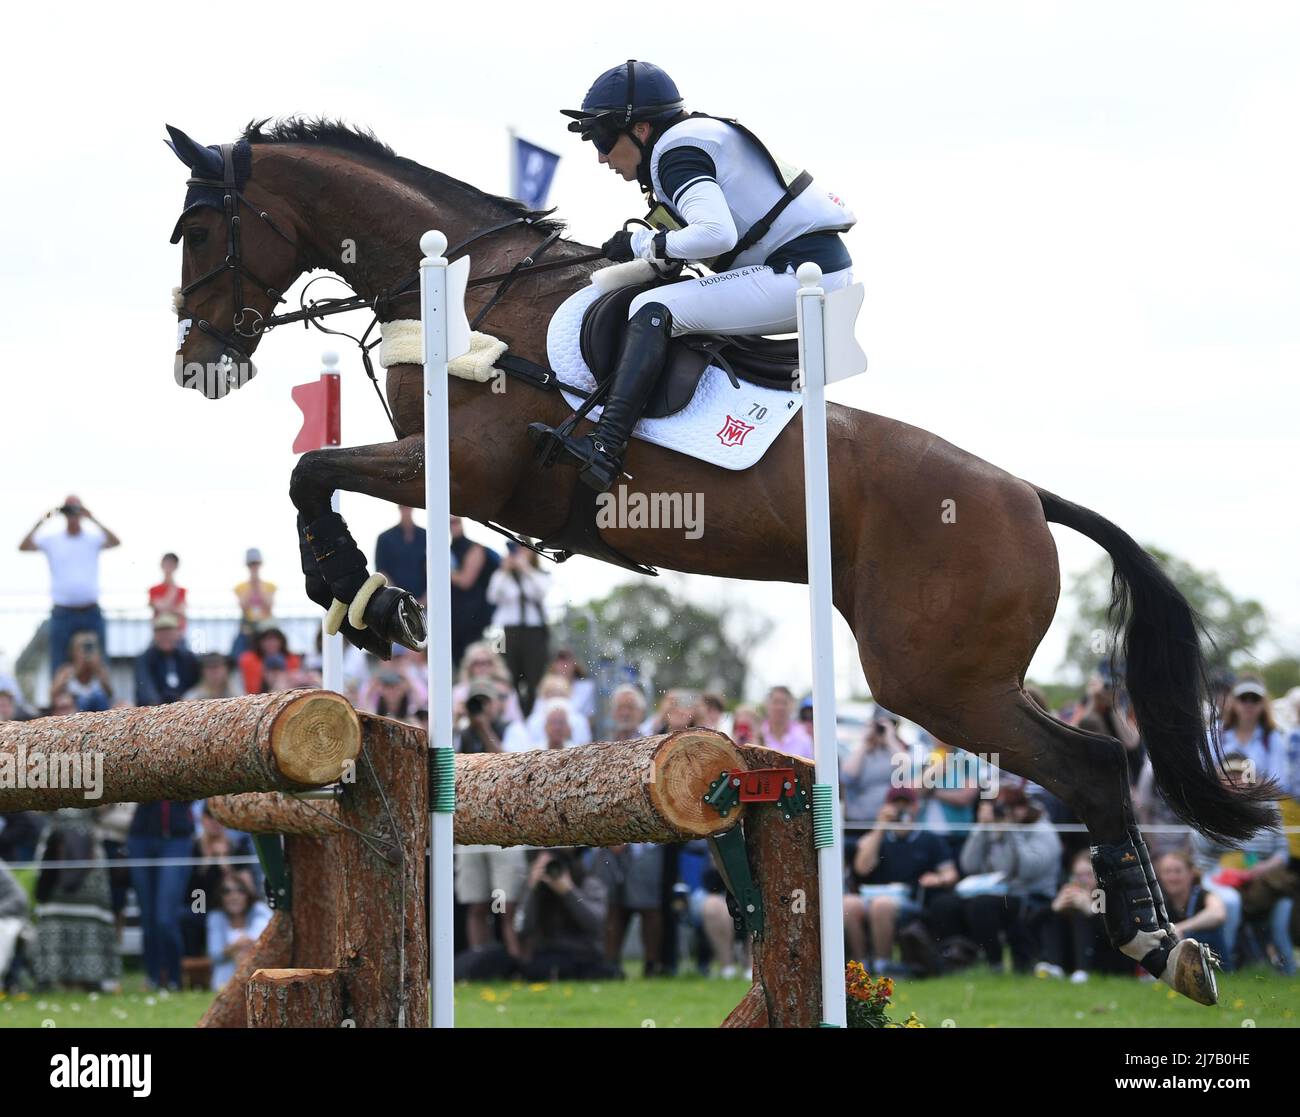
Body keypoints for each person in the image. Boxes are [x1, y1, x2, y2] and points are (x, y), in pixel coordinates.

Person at [532, 61, 856, 491]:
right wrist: (656, 249)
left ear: (641, 129)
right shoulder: (693, 139)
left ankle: (607, 447)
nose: (601, 156)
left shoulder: (675, 153)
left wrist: (643, 244)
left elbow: (715, 235)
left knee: (653, 307)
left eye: (604, 139)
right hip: (804, 271)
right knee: (664, 295)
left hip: (798, 276)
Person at [924, 786, 1062, 973]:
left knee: (982, 905)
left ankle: (994, 962)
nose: (1004, 812)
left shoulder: (1042, 830)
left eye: (1010, 807)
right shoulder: (993, 827)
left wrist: (1011, 831)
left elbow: (1028, 870)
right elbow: (968, 865)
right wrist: (982, 828)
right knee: (943, 904)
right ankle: (958, 958)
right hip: (992, 892)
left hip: (1028, 893)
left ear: (1024, 806)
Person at [844, 787, 958, 975]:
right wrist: (880, 827)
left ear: (916, 807)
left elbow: (950, 873)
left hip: (909, 900)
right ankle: (860, 965)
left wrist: (937, 878)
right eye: (896, 805)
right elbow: (862, 868)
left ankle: (883, 964)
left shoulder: (930, 839)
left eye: (906, 805)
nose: (901, 810)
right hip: (872, 894)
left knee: (881, 905)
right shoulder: (876, 838)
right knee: (849, 903)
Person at [19, 496, 120, 673]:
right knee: (59, 663)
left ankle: (106, 699)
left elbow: (115, 541)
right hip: (62, 611)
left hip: (90, 610)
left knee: (100, 662)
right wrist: (42, 520)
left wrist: (92, 517)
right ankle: (58, 700)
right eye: (69, 511)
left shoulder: (92, 538)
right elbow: (24, 546)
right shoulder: (52, 539)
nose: (73, 516)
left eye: (76, 511)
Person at [32, 809, 122, 992]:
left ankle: (91, 978)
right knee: (53, 911)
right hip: (55, 845)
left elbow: (109, 805)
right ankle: (52, 977)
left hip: (87, 847)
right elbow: (34, 808)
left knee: (90, 912)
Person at [515, 849, 620, 981]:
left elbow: (596, 925)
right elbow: (522, 928)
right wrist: (532, 887)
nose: (552, 871)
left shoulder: (587, 882)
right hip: (548, 955)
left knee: (608, 972)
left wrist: (569, 891)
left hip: (584, 955)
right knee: (538, 969)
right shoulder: (535, 887)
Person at [1033, 849, 1133, 982]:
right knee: (1055, 915)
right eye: (1078, 875)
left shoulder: (1111, 895)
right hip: (1071, 956)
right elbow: (1030, 923)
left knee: (1082, 917)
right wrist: (1053, 908)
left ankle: (1082, 971)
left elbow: (1119, 935)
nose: (1083, 880)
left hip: (1107, 959)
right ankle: (1054, 965)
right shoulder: (1067, 890)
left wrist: (1091, 911)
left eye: (1088, 875)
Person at [486, 544, 551, 717]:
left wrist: (526, 570)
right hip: (506, 632)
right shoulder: (503, 576)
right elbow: (492, 596)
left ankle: (531, 714)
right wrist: (504, 571)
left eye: (523, 549)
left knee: (533, 677)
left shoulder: (539, 574)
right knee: (507, 675)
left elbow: (542, 592)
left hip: (533, 631)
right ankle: (512, 714)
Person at [841, 709, 910, 824]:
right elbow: (847, 776)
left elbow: (906, 768)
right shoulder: (861, 752)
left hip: (888, 821)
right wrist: (865, 741)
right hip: (859, 821)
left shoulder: (897, 750)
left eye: (892, 724)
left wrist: (890, 738)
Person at [449, 517, 500, 673]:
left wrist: (437, 569)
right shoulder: (448, 549)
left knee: (477, 662)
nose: (452, 525)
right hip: (455, 619)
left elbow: (466, 580)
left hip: (476, 619)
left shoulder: (475, 548)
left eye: (455, 521)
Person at [206, 873, 272, 991]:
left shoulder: (259, 909)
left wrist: (235, 947)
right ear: (220, 896)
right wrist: (236, 946)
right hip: (225, 979)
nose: (234, 896)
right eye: (226, 891)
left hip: (259, 972)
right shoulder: (216, 917)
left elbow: (266, 941)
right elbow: (215, 954)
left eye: (240, 890)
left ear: (247, 894)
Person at [135, 614, 200, 706]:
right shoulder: (145, 659)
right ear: (155, 635)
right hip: (154, 709)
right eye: (161, 634)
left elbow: (196, 683)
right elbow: (145, 688)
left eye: (169, 633)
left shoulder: (187, 658)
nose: (165, 637)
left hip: (184, 707)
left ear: (178, 634)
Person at [374, 506, 427, 603]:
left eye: (408, 506)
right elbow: (381, 571)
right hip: (394, 605)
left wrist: (425, 599)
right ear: (399, 508)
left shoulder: (426, 536)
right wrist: (397, 597)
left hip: (424, 605)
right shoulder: (385, 538)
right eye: (403, 506)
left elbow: (433, 568)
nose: (406, 510)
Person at [50, 630, 113, 712]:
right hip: (76, 713)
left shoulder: (100, 671)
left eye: (90, 647)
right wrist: (76, 672)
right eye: (82, 647)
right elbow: (53, 695)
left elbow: (110, 695)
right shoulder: (66, 671)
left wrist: (98, 671)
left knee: (98, 697)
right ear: (73, 651)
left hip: (99, 714)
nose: (86, 652)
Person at [232, 548, 276, 660]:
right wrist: (252, 585)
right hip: (249, 626)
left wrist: (258, 586)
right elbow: (244, 607)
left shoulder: (269, 586)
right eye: (251, 564)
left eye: (255, 564)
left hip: (265, 625)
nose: (254, 567)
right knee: (240, 646)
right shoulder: (241, 587)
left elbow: (268, 606)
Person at [758, 685, 812, 760]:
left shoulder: (803, 737)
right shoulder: (757, 733)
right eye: (776, 702)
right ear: (767, 705)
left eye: (784, 703)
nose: (780, 707)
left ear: (792, 706)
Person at [147, 553, 188, 631]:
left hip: (177, 632)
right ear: (161, 565)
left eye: (171, 564)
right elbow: (158, 607)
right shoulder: (153, 589)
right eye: (167, 563)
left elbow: (181, 610)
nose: (169, 567)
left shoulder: (182, 590)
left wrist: (164, 607)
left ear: (176, 567)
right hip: (159, 632)